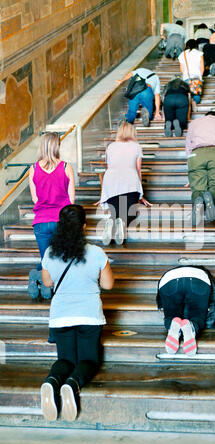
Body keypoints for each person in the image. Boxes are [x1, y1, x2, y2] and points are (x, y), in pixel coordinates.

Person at [40, 204, 114, 421]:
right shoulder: (96, 252)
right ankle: (72, 385)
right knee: (89, 360)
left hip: (60, 316)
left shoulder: (50, 252)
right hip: (89, 315)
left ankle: (51, 381)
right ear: (84, 225)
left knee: (65, 359)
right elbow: (108, 285)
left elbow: (47, 282)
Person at [28, 132, 75, 300]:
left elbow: (35, 199)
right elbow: (71, 200)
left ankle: (38, 279)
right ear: (57, 146)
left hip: (40, 222)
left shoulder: (33, 169)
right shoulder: (65, 167)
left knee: (46, 258)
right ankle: (50, 286)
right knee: (62, 257)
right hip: (61, 221)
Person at [97, 121, 151, 246]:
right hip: (130, 181)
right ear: (132, 132)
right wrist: (140, 194)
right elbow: (138, 170)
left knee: (115, 210)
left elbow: (108, 168)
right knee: (131, 212)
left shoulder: (110, 146)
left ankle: (111, 221)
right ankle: (121, 222)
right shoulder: (136, 146)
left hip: (110, 182)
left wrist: (103, 193)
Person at [156, 265, 215, 356]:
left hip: (168, 279)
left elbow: (160, 302)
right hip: (198, 279)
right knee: (197, 315)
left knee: (171, 315)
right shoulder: (203, 272)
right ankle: (192, 325)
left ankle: (172, 324)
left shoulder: (171, 271)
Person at [178, 40, 204, 109]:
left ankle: (189, 104)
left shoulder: (182, 54)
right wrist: (199, 77)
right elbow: (202, 68)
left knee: (187, 94)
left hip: (187, 77)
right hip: (197, 78)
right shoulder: (199, 53)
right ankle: (194, 102)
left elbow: (182, 70)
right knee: (197, 97)